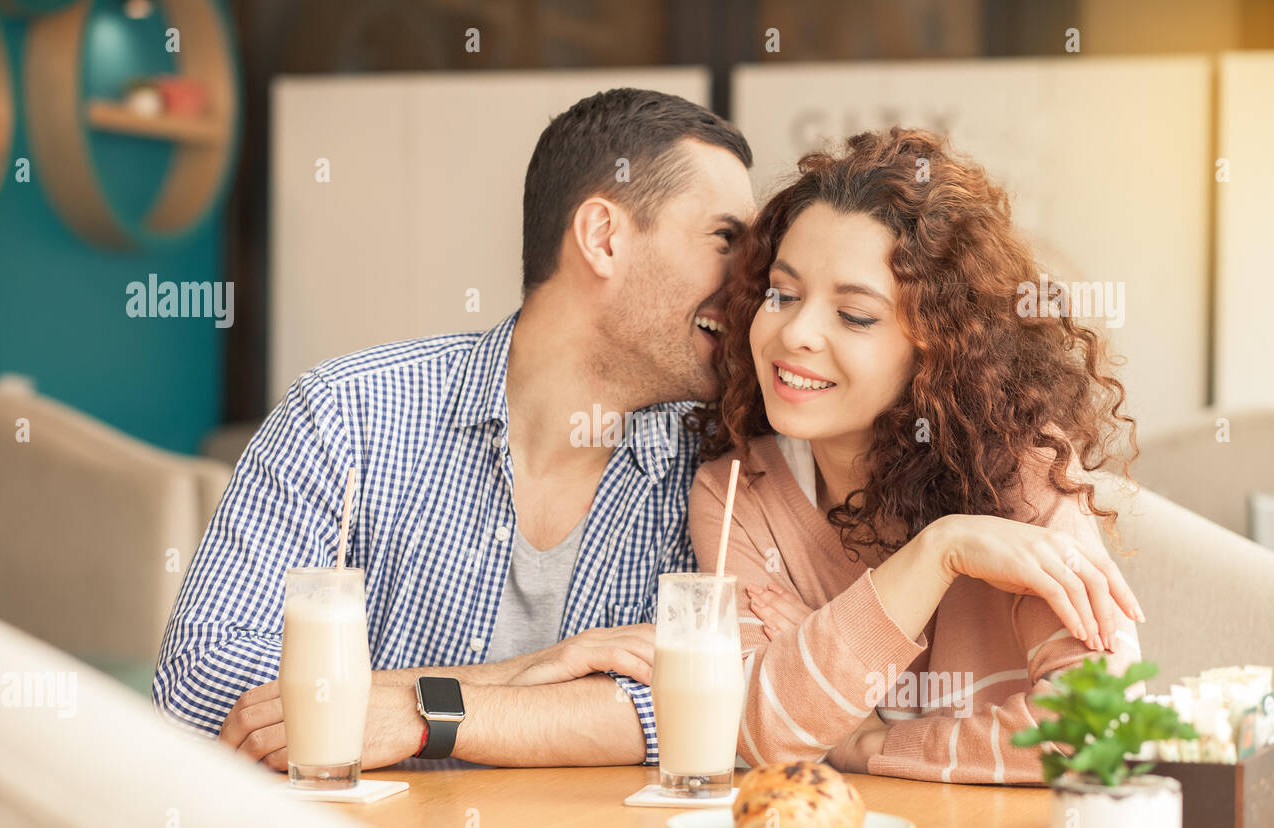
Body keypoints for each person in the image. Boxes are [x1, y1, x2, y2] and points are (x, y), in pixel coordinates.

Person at [152, 88, 756, 769]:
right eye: (726, 239)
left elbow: (718, 706)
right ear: (603, 237)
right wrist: (528, 675)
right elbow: (201, 692)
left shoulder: (714, 466)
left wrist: (415, 710)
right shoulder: (348, 415)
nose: (754, 283)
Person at [687, 128, 1145, 784]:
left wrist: (867, 743)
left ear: (938, 348)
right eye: (783, 294)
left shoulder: (1024, 475)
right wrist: (941, 551)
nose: (795, 333)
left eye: (855, 315)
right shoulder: (737, 492)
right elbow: (762, 730)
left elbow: (1098, 729)